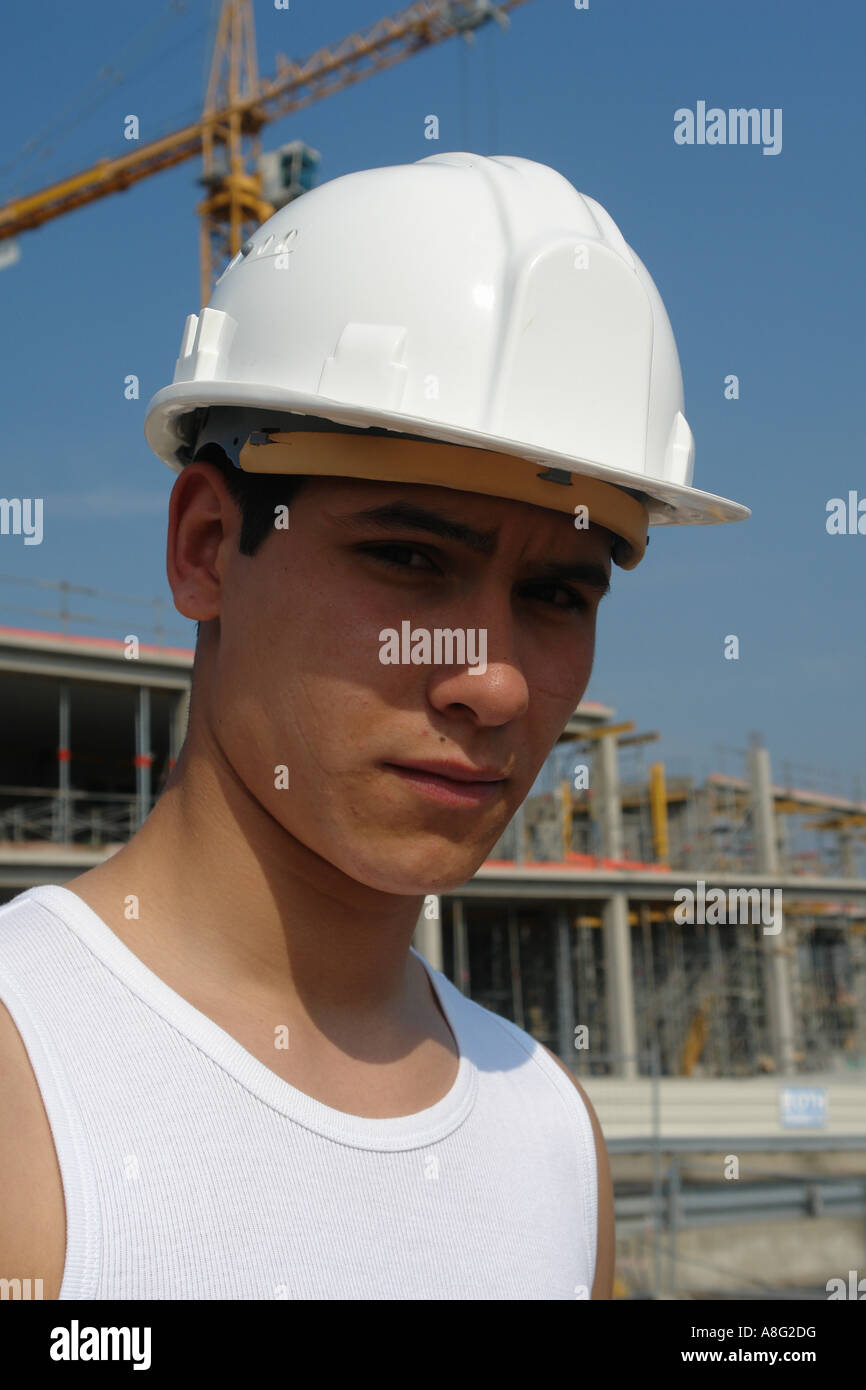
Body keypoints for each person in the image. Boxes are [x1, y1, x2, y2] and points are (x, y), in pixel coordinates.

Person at [0, 153, 748, 1300]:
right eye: (408, 558)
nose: (489, 684)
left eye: (558, 593)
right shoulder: (26, 1086)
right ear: (206, 545)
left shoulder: (549, 1130)